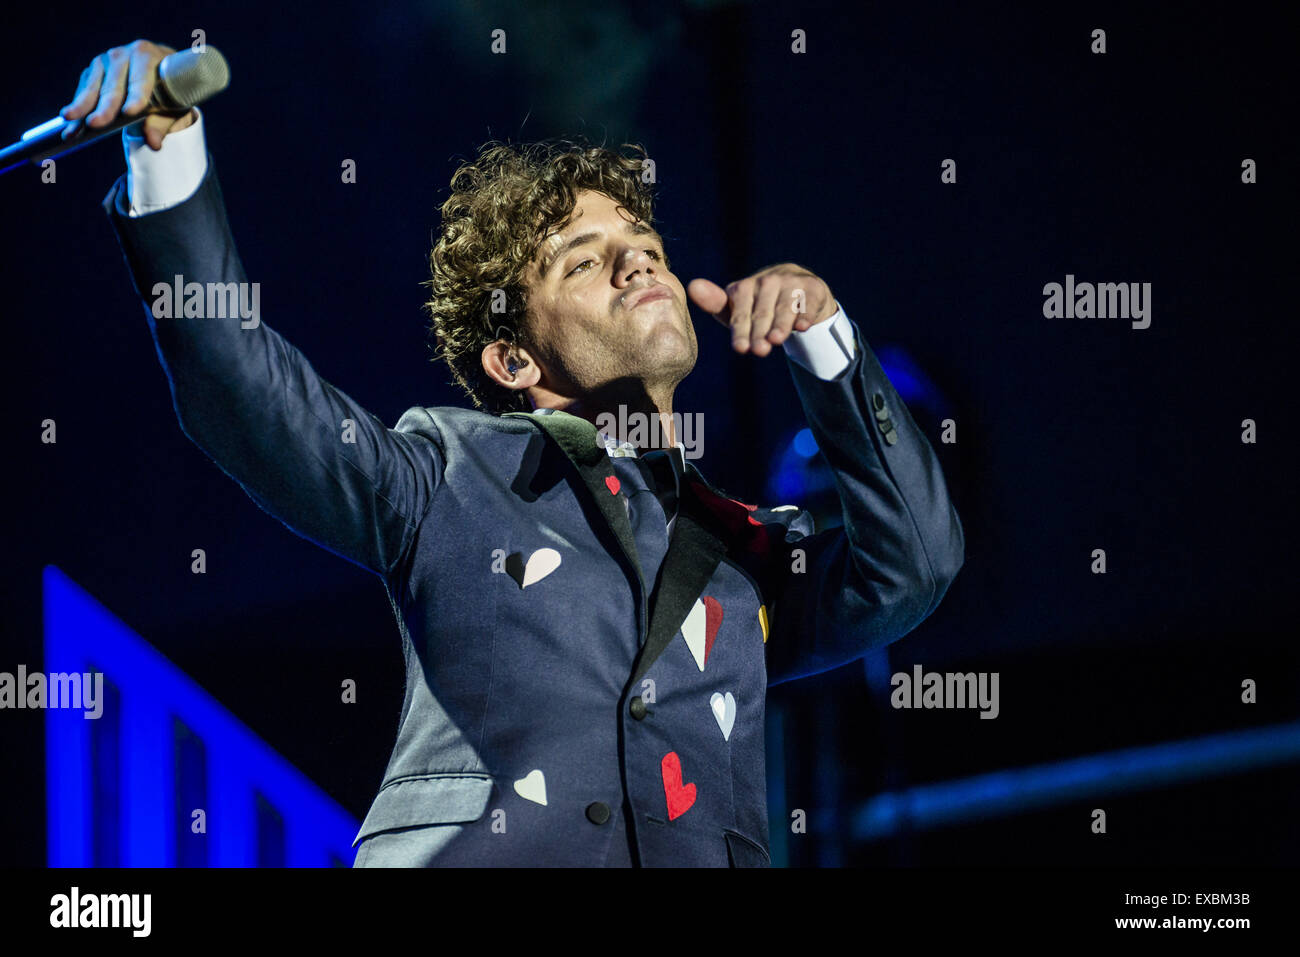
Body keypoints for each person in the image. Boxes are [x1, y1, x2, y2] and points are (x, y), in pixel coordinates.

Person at [68, 39, 965, 866]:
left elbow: (914, 566)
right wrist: (166, 149)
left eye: (646, 247)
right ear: (514, 357)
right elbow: (240, 388)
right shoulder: (442, 476)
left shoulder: (746, 555)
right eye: (585, 261)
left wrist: (830, 344)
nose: (640, 266)